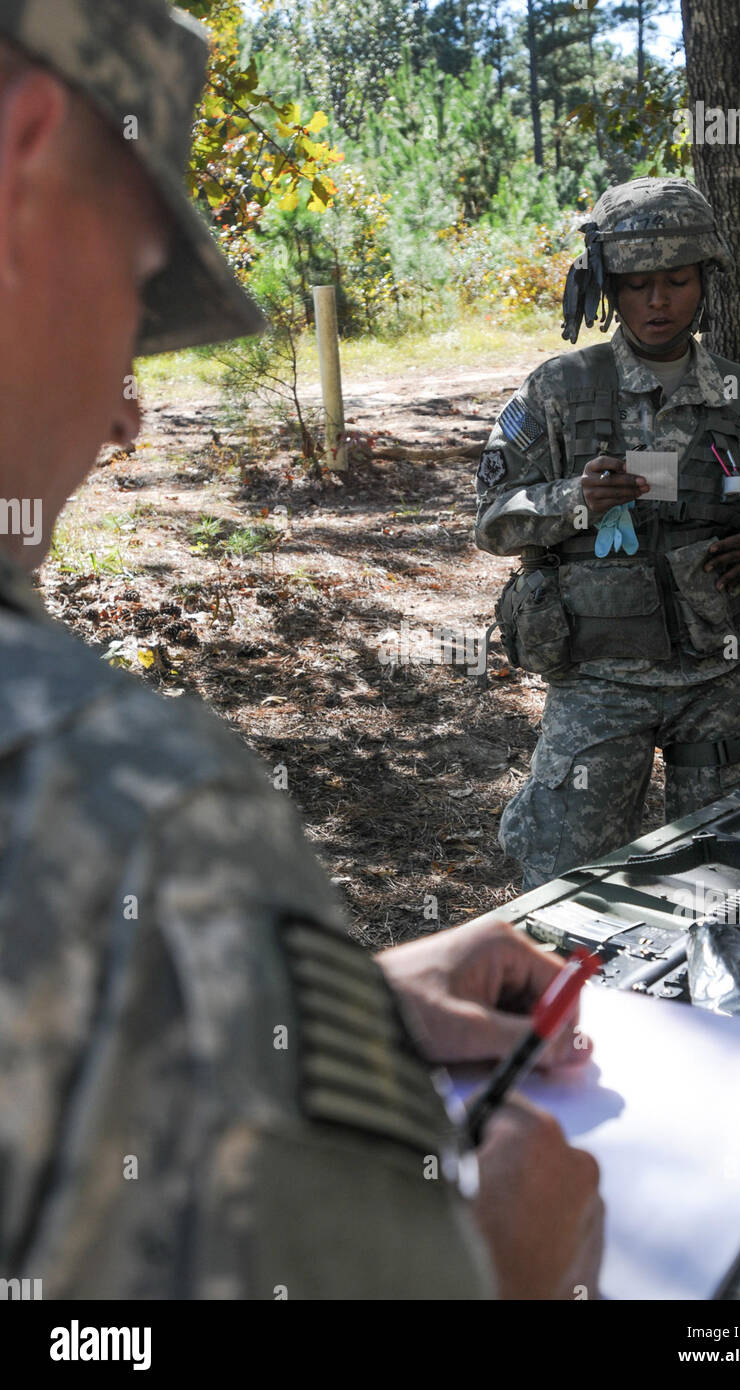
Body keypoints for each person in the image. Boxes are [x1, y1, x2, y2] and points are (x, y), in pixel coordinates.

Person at [0, 1, 602, 1300]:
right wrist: (509, 1260)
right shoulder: (122, 801)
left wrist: (246, 993)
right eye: (138, 285)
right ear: (19, 162)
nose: (122, 417)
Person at [476, 177, 740, 891]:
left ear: (704, 283)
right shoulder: (558, 388)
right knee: (564, 877)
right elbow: (491, 520)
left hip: (721, 678)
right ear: (608, 287)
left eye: (676, 281)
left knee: (734, 880)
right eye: (637, 284)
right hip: (599, 681)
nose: (658, 301)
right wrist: (572, 498)